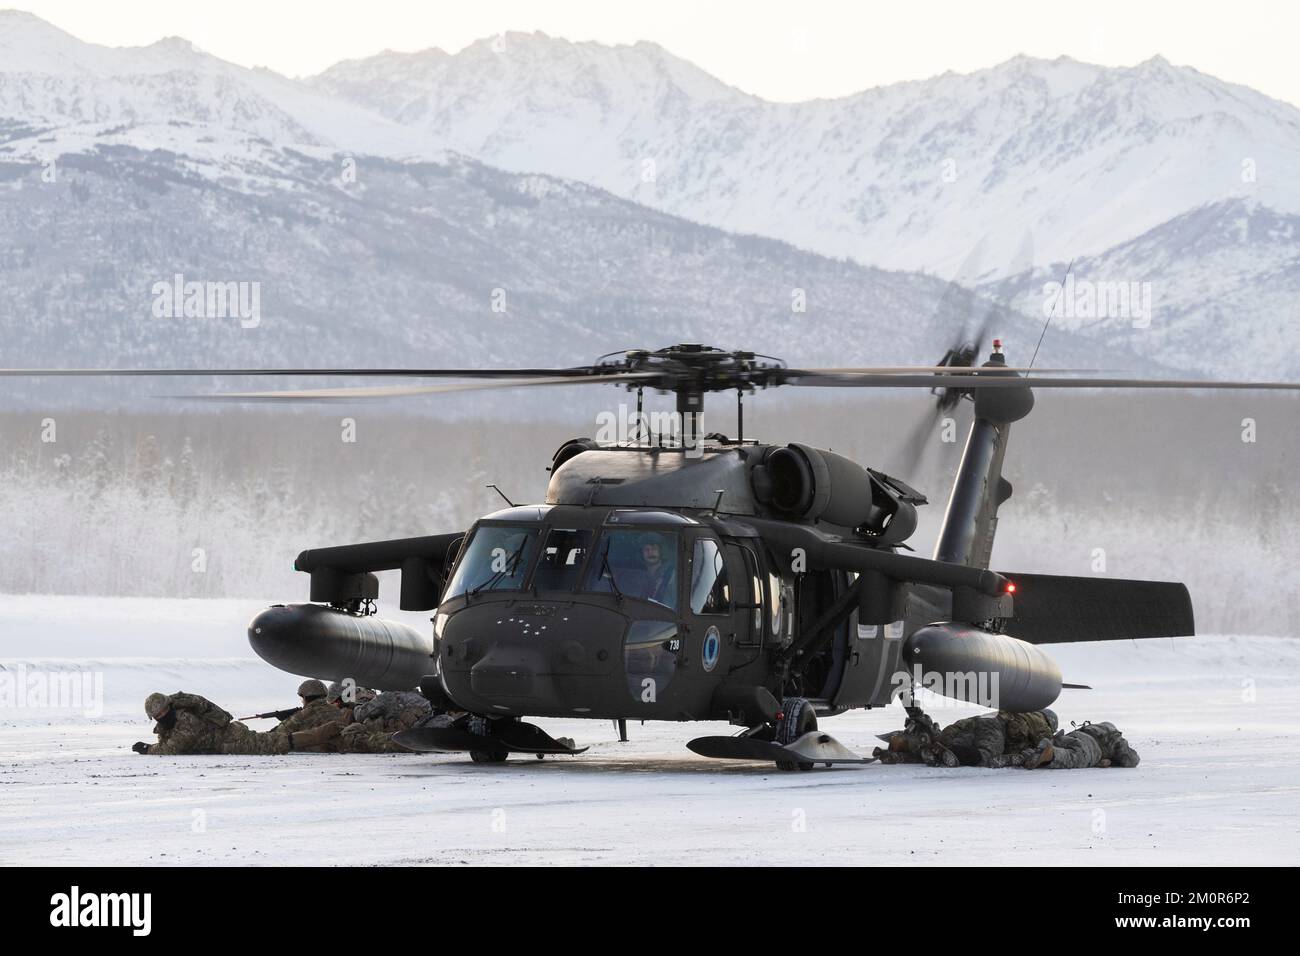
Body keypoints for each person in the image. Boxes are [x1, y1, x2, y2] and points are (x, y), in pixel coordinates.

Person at [133, 692, 331, 755]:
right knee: (277, 740)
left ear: (170, 707)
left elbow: (172, 748)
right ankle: (321, 741)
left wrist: (148, 749)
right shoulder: (173, 719)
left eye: (163, 711)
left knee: (279, 743)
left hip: (235, 740)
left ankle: (323, 734)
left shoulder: (185, 720)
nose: (162, 716)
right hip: (229, 738)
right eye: (157, 715)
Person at [874, 706, 1058, 768]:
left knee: (943, 747)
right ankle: (948, 752)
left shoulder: (1019, 711)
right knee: (985, 757)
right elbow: (1043, 742)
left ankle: (904, 751)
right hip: (995, 727)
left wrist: (949, 734)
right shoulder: (1040, 720)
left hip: (976, 724)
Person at [1022, 721, 1140, 769]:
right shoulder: (1115, 737)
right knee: (1072, 757)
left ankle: (1024, 756)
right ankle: (1051, 754)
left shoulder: (1092, 727)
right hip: (1089, 746)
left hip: (1069, 736)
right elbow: (1131, 760)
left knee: (1053, 746)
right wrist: (1111, 762)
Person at [272, 679, 348, 736]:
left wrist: (288, 719)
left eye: (302, 697)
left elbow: (277, 735)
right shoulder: (336, 710)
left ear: (306, 697)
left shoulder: (304, 714)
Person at [622, 533, 676, 605]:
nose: (650, 552)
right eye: (646, 549)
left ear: (661, 551)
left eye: (654, 549)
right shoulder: (636, 575)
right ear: (641, 553)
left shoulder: (671, 575)